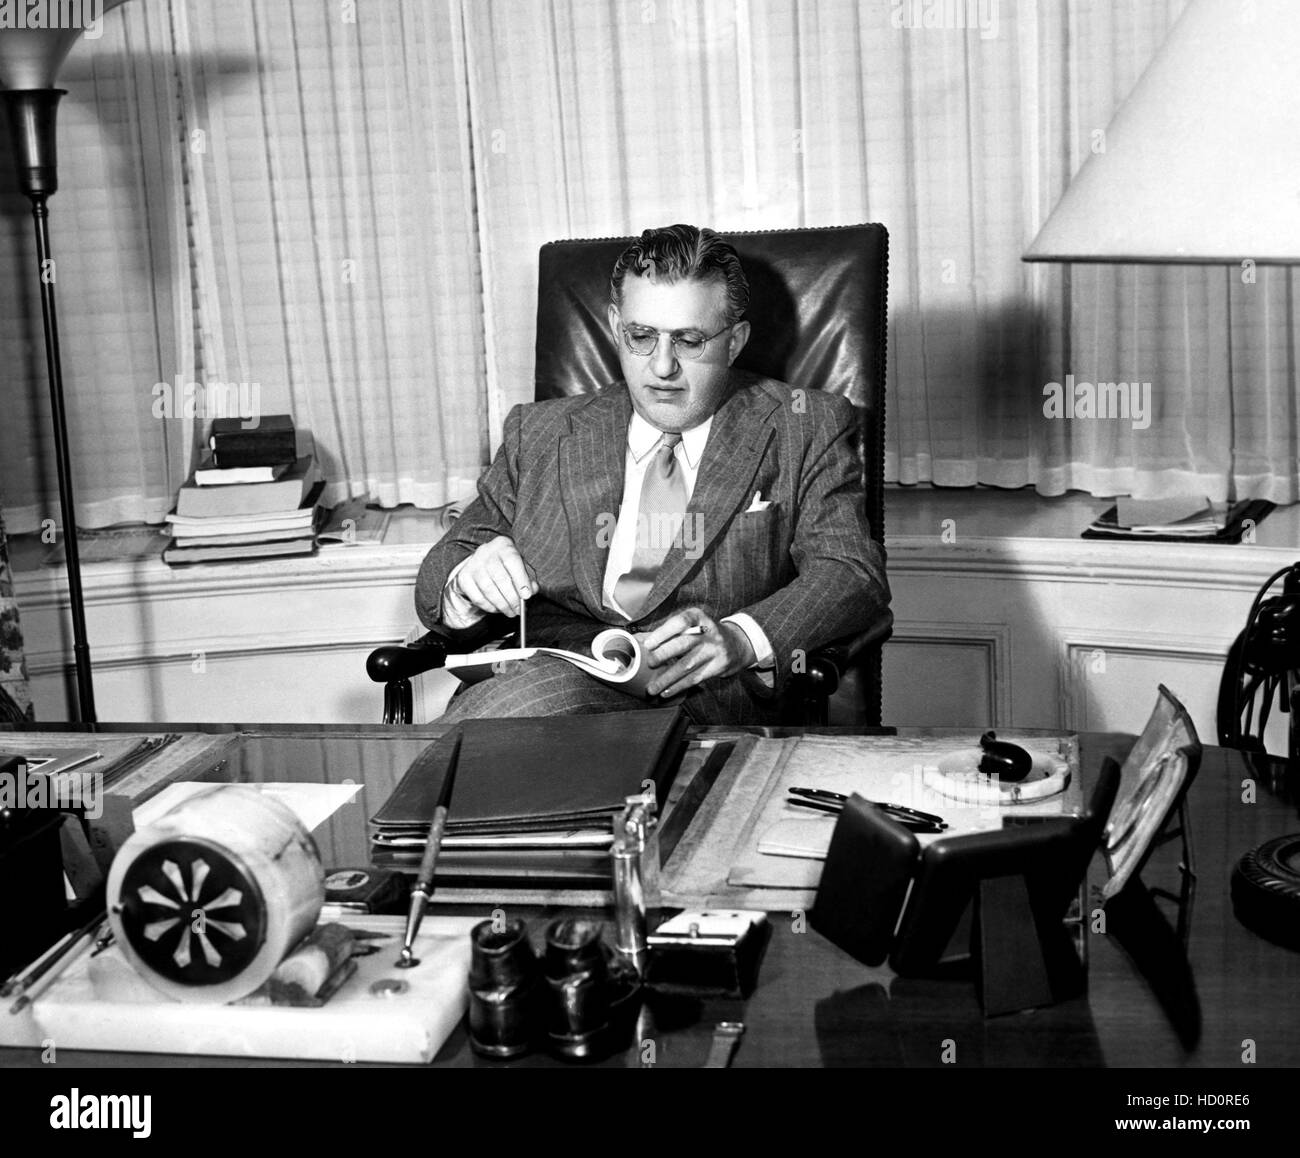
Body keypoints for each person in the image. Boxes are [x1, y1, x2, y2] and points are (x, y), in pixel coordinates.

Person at [414, 224, 889, 724]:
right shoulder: (540, 432)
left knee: (483, 744)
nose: (662, 367)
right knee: (516, 721)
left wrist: (741, 639)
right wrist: (467, 582)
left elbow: (850, 572)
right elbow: (449, 559)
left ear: (735, 341)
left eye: (689, 340)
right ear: (617, 327)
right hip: (550, 679)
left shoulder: (804, 426)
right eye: (641, 337)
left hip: (708, 701)